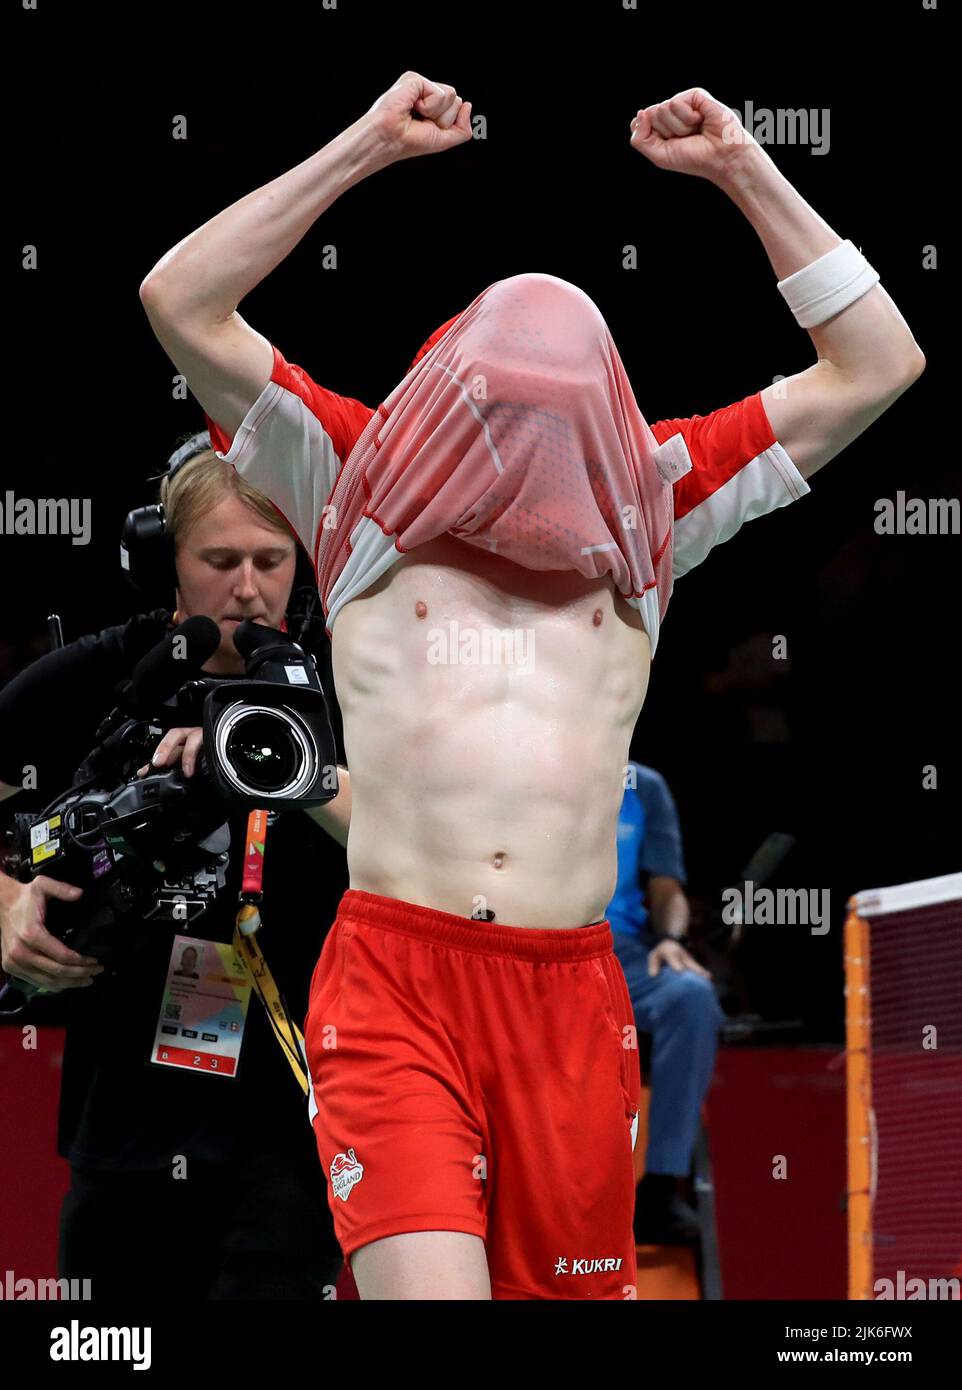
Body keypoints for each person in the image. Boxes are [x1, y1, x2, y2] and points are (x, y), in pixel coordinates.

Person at [137, 72, 925, 1300]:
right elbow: (180, 297)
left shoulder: (655, 503)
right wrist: (359, 149)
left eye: (563, 399)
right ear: (442, 387)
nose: (531, 420)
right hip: (396, 978)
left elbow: (878, 361)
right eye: (500, 395)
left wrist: (740, 168)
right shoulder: (353, 480)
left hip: (570, 997)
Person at [0, 442, 351, 1299]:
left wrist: (279, 762)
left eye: (271, 561)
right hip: (123, 1119)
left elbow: (429, 848)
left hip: (293, 1120)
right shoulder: (102, 674)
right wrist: (4, 898)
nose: (248, 587)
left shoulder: (353, 680)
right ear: (166, 564)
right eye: (219, 560)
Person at [604, 760, 724, 1245]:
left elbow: (666, 886)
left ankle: (660, 1187)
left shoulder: (644, 786)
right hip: (536, 947)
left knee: (690, 996)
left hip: (622, 953)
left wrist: (671, 937)